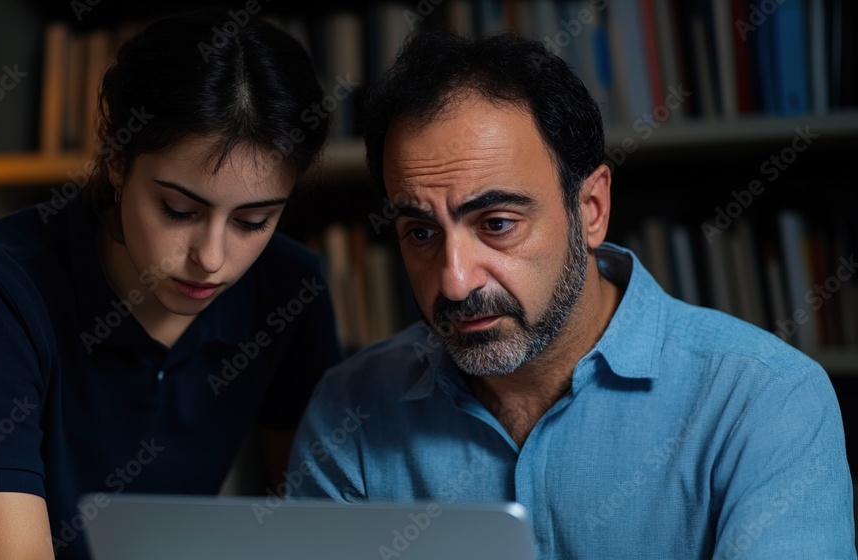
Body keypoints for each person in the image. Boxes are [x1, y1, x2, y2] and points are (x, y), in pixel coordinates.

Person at [287, 29, 855, 558]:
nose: (455, 280)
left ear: (591, 210)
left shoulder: (763, 400)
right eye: (420, 234)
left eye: (498, 224)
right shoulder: (351, 412)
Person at [0, 9, 340, 560]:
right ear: (114, 157)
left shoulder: (288, 289)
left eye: (254, 222)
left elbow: (304, 528)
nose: (211, 258)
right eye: (179, 210)